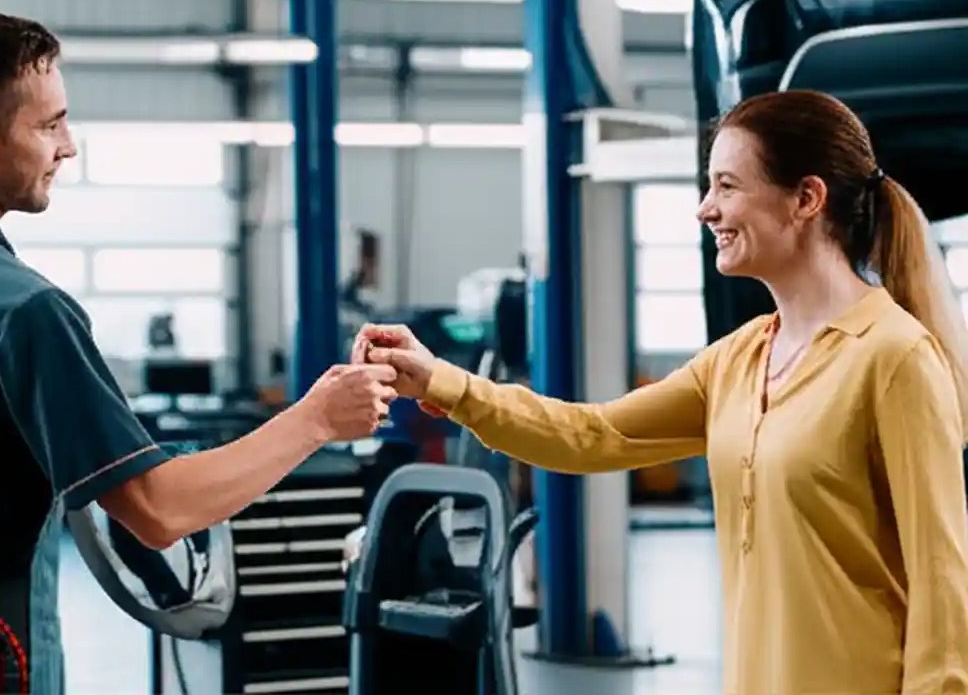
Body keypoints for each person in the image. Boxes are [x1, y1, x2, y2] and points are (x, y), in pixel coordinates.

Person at [0, 11, 397, 695]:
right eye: (49, 124)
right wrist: (317, 419)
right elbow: (156, 509)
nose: (67, 146)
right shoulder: (17, 309)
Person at [354, 89, 968, 695]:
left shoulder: (894, 357)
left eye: (727, 186)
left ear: (806, 198)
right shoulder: (741, 357)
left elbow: (944, 586)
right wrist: (442, 381)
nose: (706, 209)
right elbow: (593, 435)